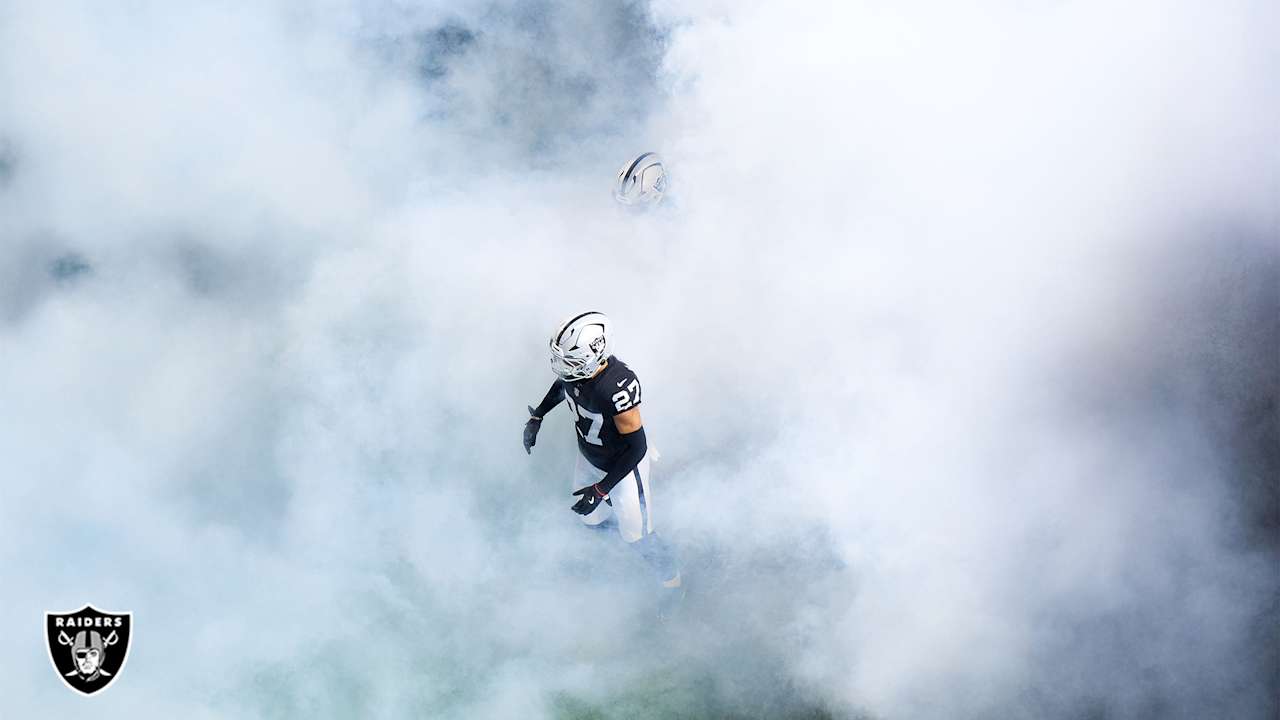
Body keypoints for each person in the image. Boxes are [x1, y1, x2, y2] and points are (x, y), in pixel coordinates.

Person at [523, 311, 683, 616]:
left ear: (590, 357)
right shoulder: (579, 372)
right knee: (591, 520)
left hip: (623, 469)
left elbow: (637, 447)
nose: (562, 367)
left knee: (640, 536)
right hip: (590, 457)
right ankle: (619, 550)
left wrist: (601, 488)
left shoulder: (616, 387)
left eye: (569, 361)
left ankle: (674, 586)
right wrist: (537, 415)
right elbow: (564, 386)